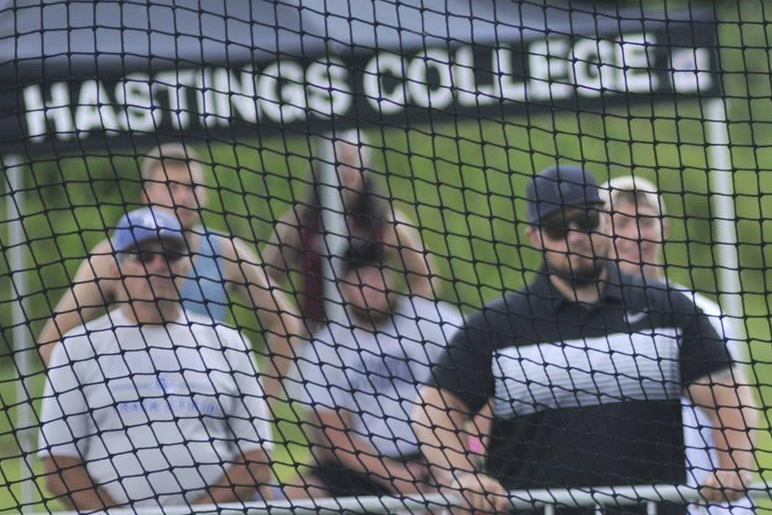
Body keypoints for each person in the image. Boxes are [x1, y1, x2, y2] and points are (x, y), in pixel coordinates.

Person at [412, 165, 752, 515]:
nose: (575, 235)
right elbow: (434, 409)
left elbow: (728, 393)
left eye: (586, 220)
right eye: (557, 227)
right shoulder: (500, 325)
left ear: (603, 221)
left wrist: (735, 467)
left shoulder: (669, 309)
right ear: (535, 237)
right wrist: (462, 477)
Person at [39, 207, 276, 511]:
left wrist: (195, 512)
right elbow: (59, 470)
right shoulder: (75, 349)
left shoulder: (230, 345)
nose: (159, 266)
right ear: (116, 268)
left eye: (171, 256)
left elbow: (257, 461)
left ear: (188, 265)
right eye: (143, 257)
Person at [36, 142, 301, 394]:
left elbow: (287, 323)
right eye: (171, 187)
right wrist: (95, 401)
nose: (184, 197)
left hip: (204, 404)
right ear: (147, 195)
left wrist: (259, 408)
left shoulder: (227, 252)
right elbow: (52, 342)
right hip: (136, 406)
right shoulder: (113, 255)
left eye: (192, 186)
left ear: (205, 193)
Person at [602, 174, 763, 515]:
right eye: (620, 222)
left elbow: (734, 405)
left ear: (664, 229)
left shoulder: (704, 315)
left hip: (705, 503)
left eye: (645, 221)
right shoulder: (584, 322)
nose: (634, 234)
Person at [285, 237, 467, 498]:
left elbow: (479, 383)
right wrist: (394, 475)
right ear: (344, 287)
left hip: (434, 455)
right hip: (365, 464)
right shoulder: (327, 348)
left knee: (462, 493)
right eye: (361, 280)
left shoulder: (432, 321)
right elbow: (334, 436)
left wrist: (462, 453)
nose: (373, 287)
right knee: (296, 494)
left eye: (379, 275)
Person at [265, 130, 441, 333]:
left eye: (352, 162)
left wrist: (399, 324)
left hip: (373, 340)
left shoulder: (384, 221)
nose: (346, 172)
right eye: (339, 163)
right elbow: (266, 280)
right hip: (317, 340)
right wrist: (290, 324)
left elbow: (424, 278)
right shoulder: (300, 222)